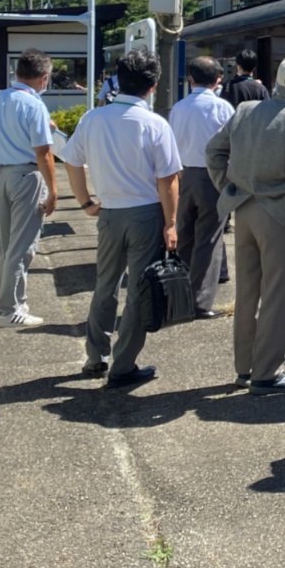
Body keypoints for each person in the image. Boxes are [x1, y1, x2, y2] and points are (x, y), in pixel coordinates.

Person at [60, 49, 181, 389]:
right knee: (140, 290)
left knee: (106, 283)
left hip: (109, 213)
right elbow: (168, 179)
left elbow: (71, 161)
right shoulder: (155, 123)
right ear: (153, 86)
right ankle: (124, 363)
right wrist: (171, 223)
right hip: (145, 213)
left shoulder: (93, 119)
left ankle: (95, 355)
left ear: (118, 80)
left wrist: (85, 202)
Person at [205, 54, 285, 395]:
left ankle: (244, 368)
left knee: (247, 291)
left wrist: (227, 185)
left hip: (243, 208)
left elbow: (214, 151)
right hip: (279, 212)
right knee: (278, 294)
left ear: (276, 82)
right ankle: (267, 372)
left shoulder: (244, 111)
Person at [0, 51, 58, 327]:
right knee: (23, 246)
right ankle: (8, 309)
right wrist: (53, 190)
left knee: (6, 244)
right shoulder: (34, 105)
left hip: (2, 175)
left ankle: (11, 301)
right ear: (43, 78)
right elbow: (44, 153)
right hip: (27, 176)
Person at [169, 56, 233, 319]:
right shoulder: (223, 108)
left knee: (184, 236)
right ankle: (200, 301)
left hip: (182, 176)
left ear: (190, 79)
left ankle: (178, 295)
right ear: (218, 79)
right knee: (209, 238)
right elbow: (232, 145)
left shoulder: (178, 108)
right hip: (214, 177)